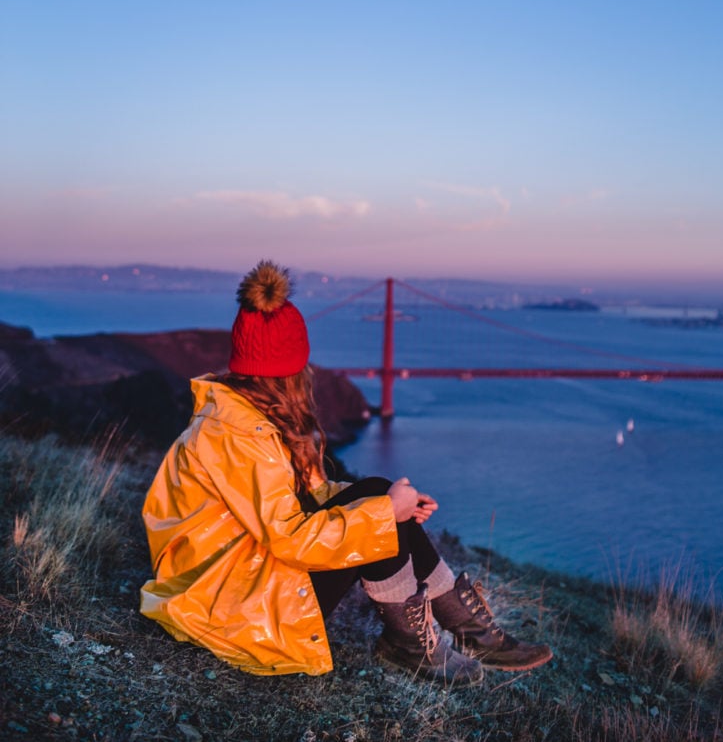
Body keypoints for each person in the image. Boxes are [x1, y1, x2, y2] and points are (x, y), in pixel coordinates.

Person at [140, 261, 552, 682]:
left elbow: (299, 498)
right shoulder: (235, 436)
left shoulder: (241, 417)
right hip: (229, 605)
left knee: (375, 494)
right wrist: (384, 513)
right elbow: (291, 540)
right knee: (377, 506)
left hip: (239, 575)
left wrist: (389, 505)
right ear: (288, 370)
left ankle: (464, 633)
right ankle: (431, 642)